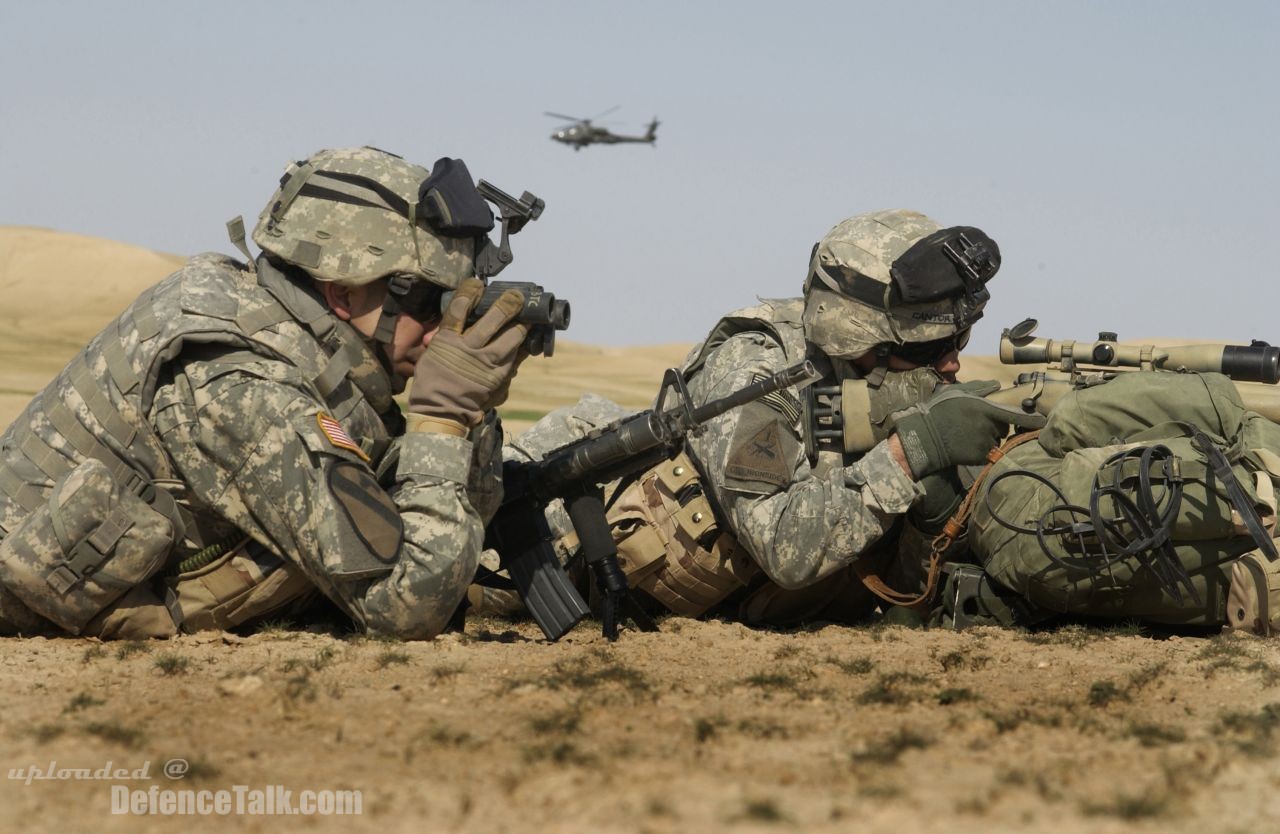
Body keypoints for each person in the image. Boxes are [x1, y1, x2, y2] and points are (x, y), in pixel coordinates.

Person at [0, 146, 533, 640]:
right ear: (342, 292)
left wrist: (471, 412)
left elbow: (461, 524)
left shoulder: (314, 355)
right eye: (427, 303)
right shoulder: (238, 380)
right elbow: (408, 606)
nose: (443, 330)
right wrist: (441, 416)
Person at [502, 209, 1044, 627]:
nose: (951, 362)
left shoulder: (868, 380)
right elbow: (784, 548)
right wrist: (910, 453)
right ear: (861, 337)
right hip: (527, 551)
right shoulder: (759, 371)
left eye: (960, 339)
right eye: (933, 347)